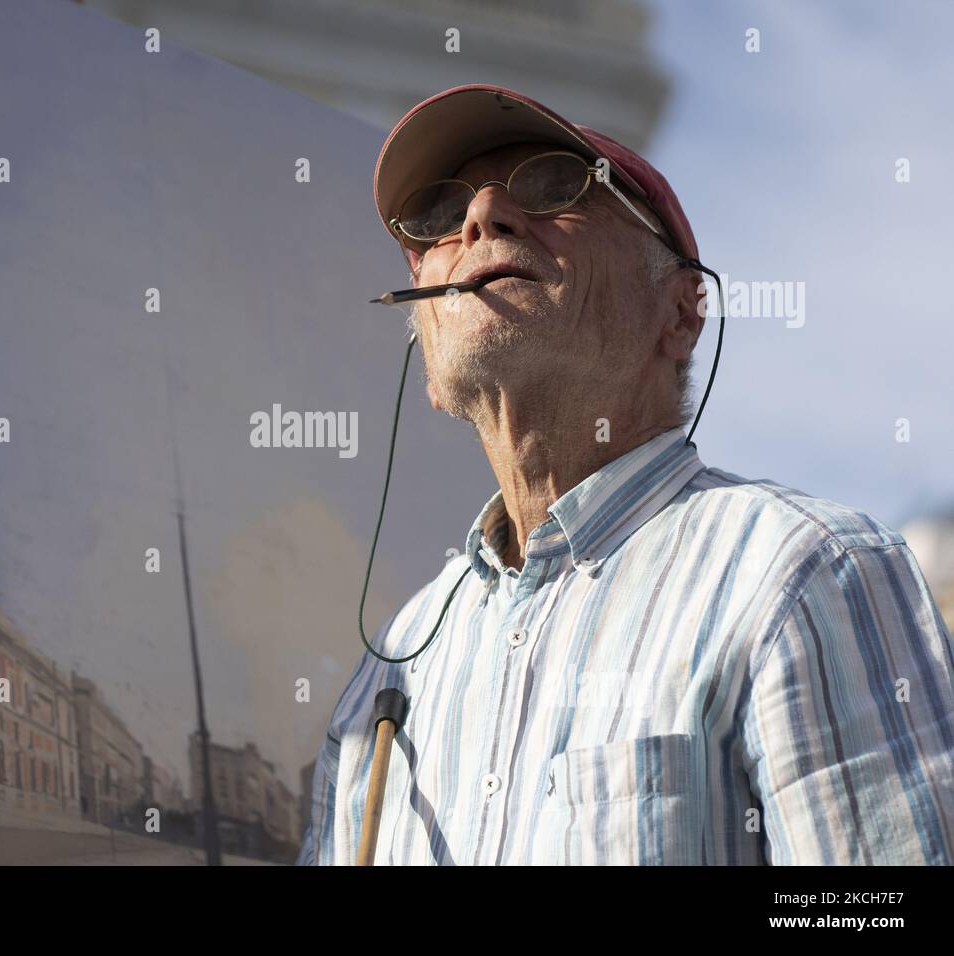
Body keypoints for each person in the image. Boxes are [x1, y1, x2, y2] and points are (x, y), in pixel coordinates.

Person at [296, 84, 954, 865]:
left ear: (679, 313)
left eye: (555, 186)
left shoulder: (807, 571)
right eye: (440, 214)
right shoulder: (392, 663)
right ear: (433, 372)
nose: (482, 216)